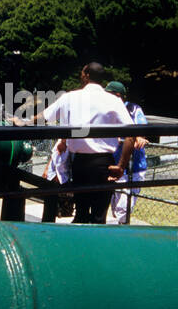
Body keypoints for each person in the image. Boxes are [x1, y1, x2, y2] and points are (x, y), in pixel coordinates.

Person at [14, 62, 135, 224]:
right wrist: (121, 166)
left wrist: (24, 123)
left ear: (86, 75)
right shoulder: (114, 101)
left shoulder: (70, 97)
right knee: (100, 216)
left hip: (80, 164)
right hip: (104, 163)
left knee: (81, 214)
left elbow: (44, 116)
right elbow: (131, 135)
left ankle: (80, 246)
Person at [106, 81, 147, 224]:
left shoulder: (133, 109)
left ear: (117, 95)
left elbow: (141, 128)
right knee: (114, 207)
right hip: (114, 165)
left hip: (134, 167)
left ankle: (119, 236)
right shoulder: (107, 111)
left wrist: (139, 136)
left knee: (123, 209)